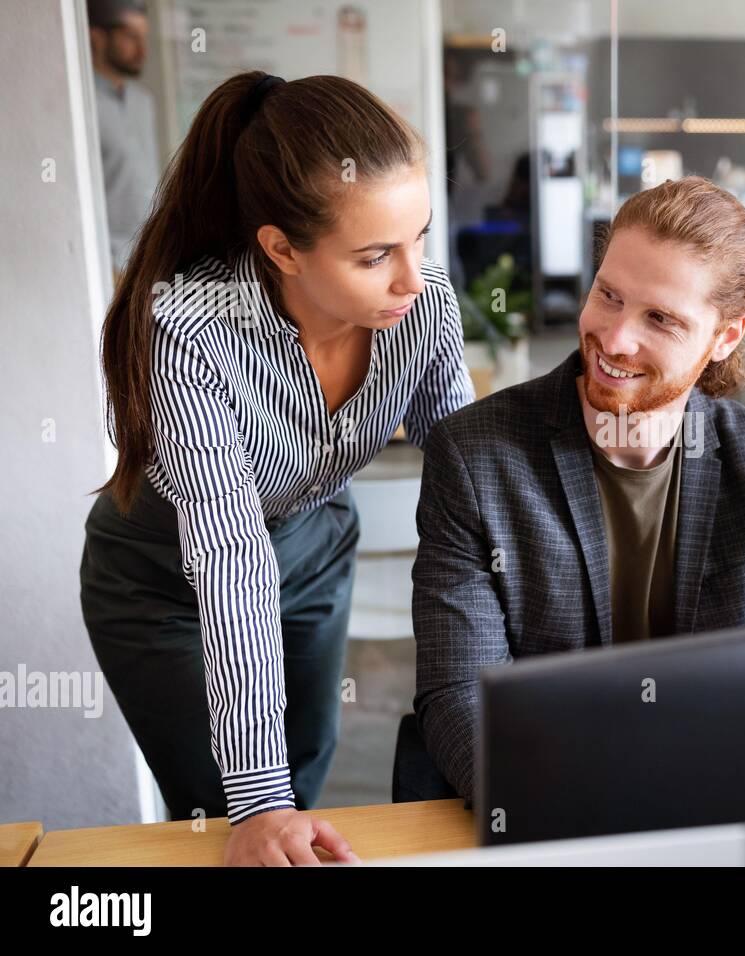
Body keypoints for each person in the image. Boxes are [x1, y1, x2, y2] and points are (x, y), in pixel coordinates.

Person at [80, 71, 474, 866]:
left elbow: (469, 470)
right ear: (281, 247)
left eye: (420, 236)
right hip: (166, 583)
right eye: (375, 256)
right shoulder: (189, 334)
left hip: (315, 547)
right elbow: (228, 555)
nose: (412, 275)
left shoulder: (422, 302)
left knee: (305, 785)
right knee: (231, 811)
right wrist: (257, 805)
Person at [412, 176, 745, 801]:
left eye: (659, 318)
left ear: (725, 336)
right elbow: (457, 695)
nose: (614, 340)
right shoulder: (475, 456)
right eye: (608, 295)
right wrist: (563, 807)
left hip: (709, 791)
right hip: (550, 797)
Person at [87, 0, 161, 275]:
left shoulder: (142, 103)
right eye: (131, 36)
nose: (142, 50)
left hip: (145, 261)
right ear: (96, 36)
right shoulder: (81, 104)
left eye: (144, 37)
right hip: (104, 265)